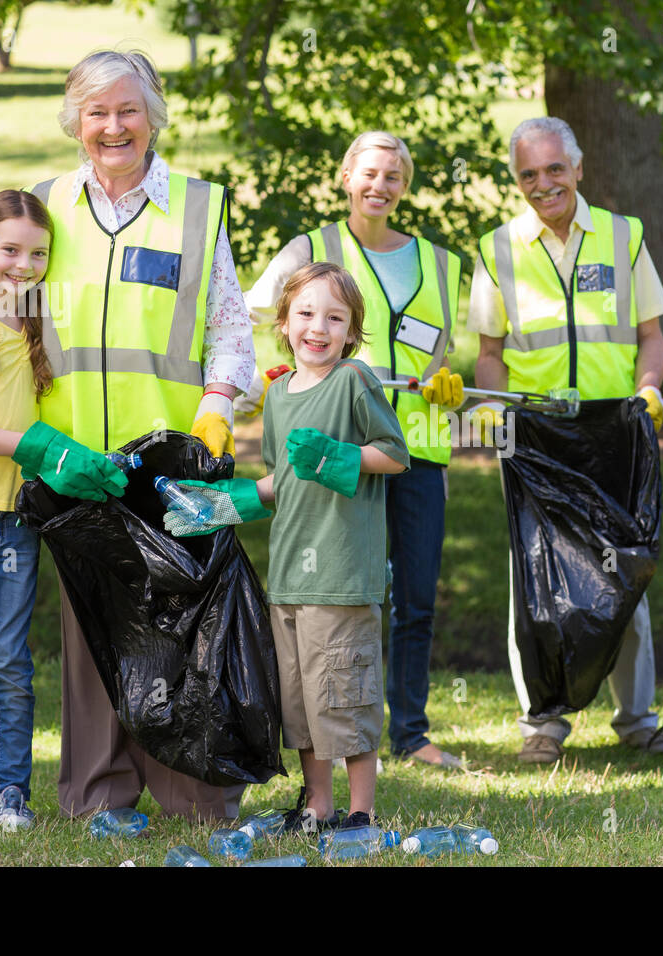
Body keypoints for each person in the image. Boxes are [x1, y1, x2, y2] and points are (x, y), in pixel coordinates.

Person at [0, 50, 254, 821]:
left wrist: (218, 404)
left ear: (154, 115)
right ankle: (99, 796)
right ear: (75, 121)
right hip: (70, 464)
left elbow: (232, 328)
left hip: (168, 462)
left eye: (128, 110)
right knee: (92, 633)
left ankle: (195, 795)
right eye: (96, 113)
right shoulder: (45, 202)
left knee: (181, 628)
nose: (113, 127)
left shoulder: (198, 207)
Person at [245, 131, 465, 769]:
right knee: (340, 593)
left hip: (413, 449)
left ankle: (412, 731)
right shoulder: (310, 250)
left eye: (394, 175)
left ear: (406, 185)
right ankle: (326, 729)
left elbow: (462, 355)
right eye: (369, 172)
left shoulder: (442, 264)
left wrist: (455, 391)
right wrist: (272, 382)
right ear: (346, 176)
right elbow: (255, 315)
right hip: (332, 455)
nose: (381, 185)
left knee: (415, 595)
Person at [165, 262, 409, 831]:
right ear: (283, 322)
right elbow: (283, 479)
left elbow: (395, 454)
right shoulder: (277, 394)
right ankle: (317, 804)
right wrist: (226, 504)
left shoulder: (355, 381)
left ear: (352, 331)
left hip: (344, 574)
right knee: (299, 704)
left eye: (334, 317)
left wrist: (337, 457)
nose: (318, 327)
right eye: (305, 313)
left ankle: (361, 811)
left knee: (344, 696)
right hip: (291, 580)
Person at [468, 116, 663, 763]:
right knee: (534, 578)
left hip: (615, 432)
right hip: (535, 437)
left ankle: (636, 719)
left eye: (555, 169)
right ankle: (544, 724)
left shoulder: (623, 236)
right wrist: (496, 413)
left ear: (579, 168)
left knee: (625, 571)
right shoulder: (497, 248)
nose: (543, 183)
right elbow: (490, 353)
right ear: (516, 181)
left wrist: (649, 393)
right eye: (528, 174)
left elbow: (651, 337)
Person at [0, 189, 128, 831]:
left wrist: (70, 459)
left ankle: (12, 791)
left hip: (16, 517)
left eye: (38, 253)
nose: (24, 264)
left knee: (11, 658)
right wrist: (41, 447)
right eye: (9, 249)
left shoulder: (42, 323)